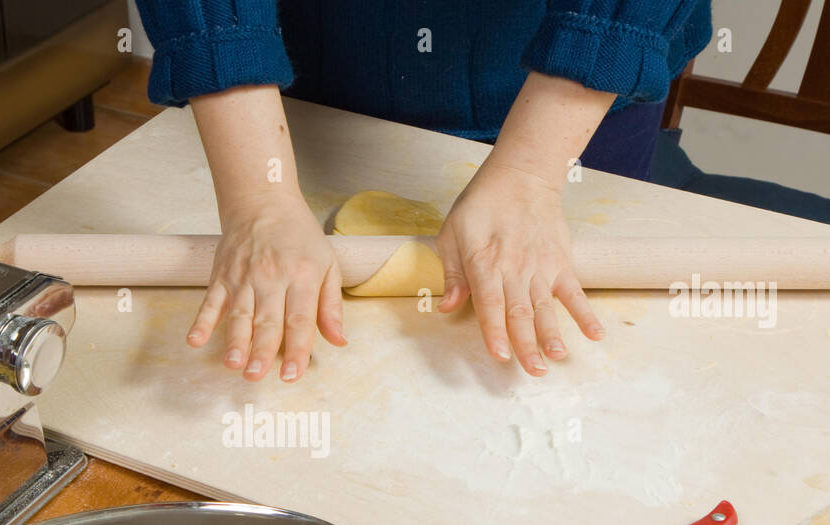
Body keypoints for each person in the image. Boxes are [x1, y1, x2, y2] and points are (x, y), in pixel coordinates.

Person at [133, 1, 712, 381]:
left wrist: (530, 177)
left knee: (587, 364)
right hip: (295, 83)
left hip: (584, 92)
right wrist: (259, 199)